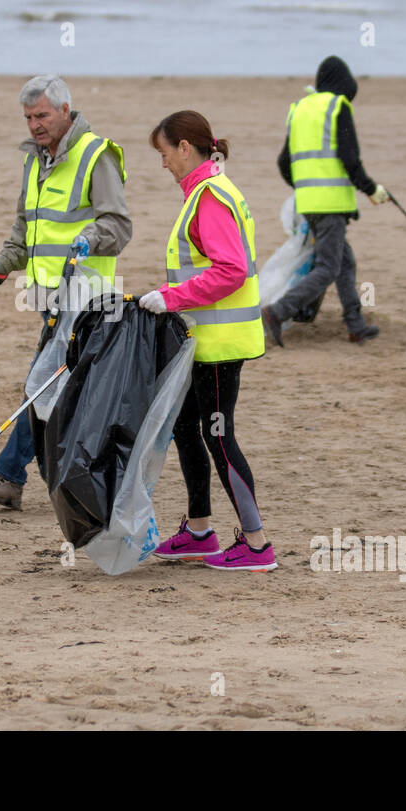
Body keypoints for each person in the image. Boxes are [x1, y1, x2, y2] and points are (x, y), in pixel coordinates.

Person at [0, 74, 131, 510]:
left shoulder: (96, 155)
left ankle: (11, 475)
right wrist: (2, 264)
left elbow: (118, 226)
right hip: (48, 297)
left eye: (41, 115)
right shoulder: (35, 160)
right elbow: (27, 226)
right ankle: (59, 476)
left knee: (46, 384)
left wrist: (90, 239)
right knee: (59, 387)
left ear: (64, 110)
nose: (34, 125)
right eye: (28, 117)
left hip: (86, 297)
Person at [138, 110, 277, 572]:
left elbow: (231, 270)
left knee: (218, 437)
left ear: (183, 147)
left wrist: (172, 298)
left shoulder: (210, 196)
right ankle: (199, 531)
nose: (162, 164)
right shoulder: (205, 191)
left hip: (220, 345)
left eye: (163, 153)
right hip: (202, 342)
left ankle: (257, 545)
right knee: (185, 427)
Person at [261, 55, 388, 347]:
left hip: (309, 204)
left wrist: (304, 188)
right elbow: (349, 157)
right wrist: (370, 189)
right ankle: (277, 312)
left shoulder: (300, 109)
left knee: (344, 260)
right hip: (331, 205)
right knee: (329, 267)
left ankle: (355, 325)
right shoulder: (337, 107)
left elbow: (284, 162)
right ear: (343, 86)